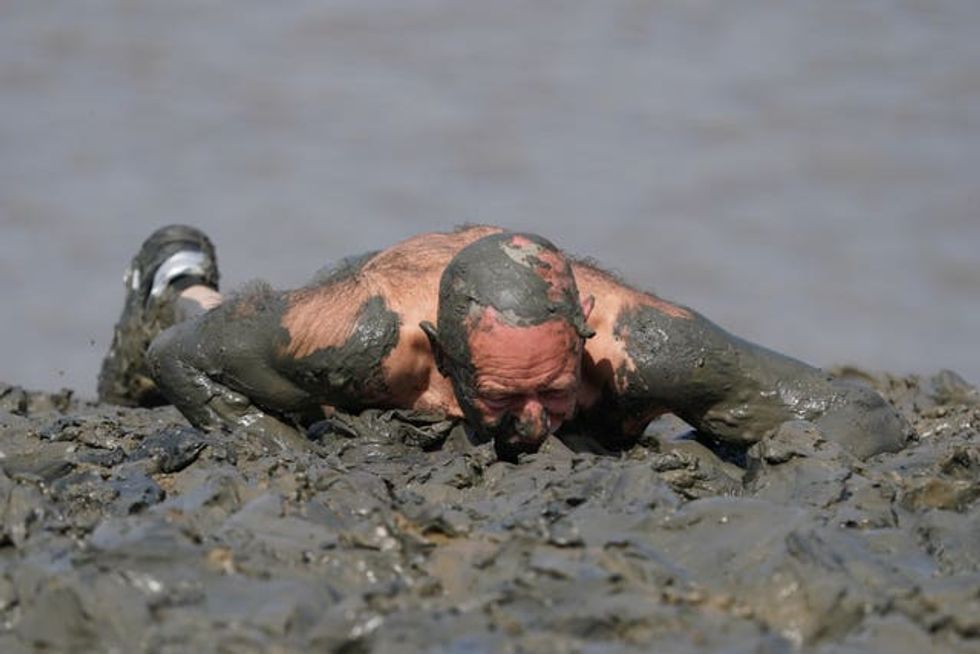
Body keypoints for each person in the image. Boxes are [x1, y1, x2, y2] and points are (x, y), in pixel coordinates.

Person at [98, 224, 910, 461]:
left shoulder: (644, 347)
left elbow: (854, 411)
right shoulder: (372, 339)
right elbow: (187, 361)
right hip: (382, 282)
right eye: (497, 396)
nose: (529, 420)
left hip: (517, 284)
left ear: (585, 341)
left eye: (552, 393)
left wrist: (783, 463)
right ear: (442, 356)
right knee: (201, 325)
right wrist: (282, 456)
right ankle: (175, 277)